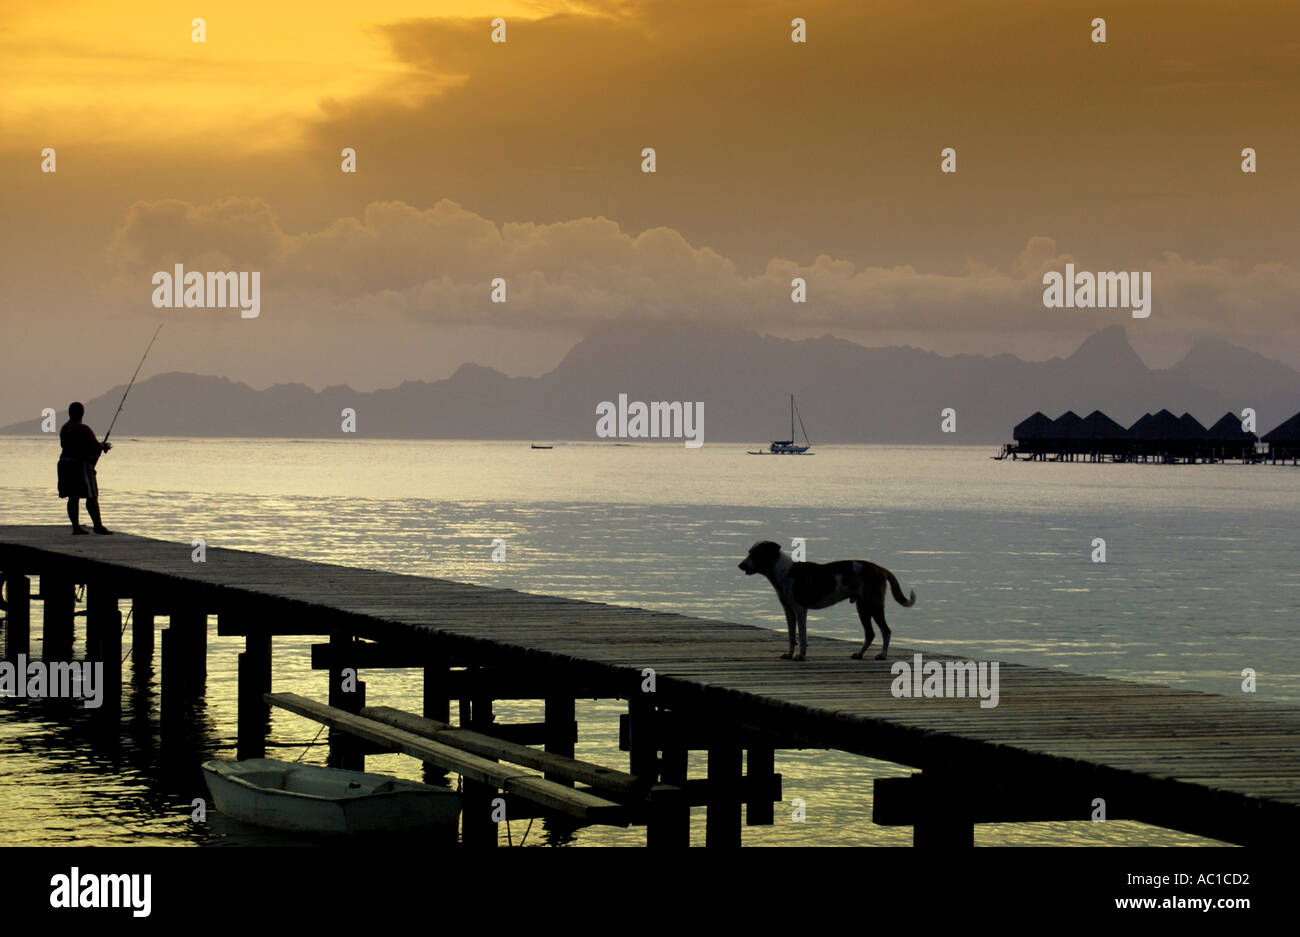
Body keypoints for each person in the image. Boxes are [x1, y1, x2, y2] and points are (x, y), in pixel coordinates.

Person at [57, 402, 112, 534]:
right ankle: (98, 526)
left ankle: (76, 527)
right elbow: (95, 446)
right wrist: (104, 446)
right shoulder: (83, 429)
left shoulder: (64, 428)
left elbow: (65, 445)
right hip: (79, 465)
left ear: (69, 413)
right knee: (91, 496)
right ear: (82, 413)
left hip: (64, 464)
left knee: (73, 497)